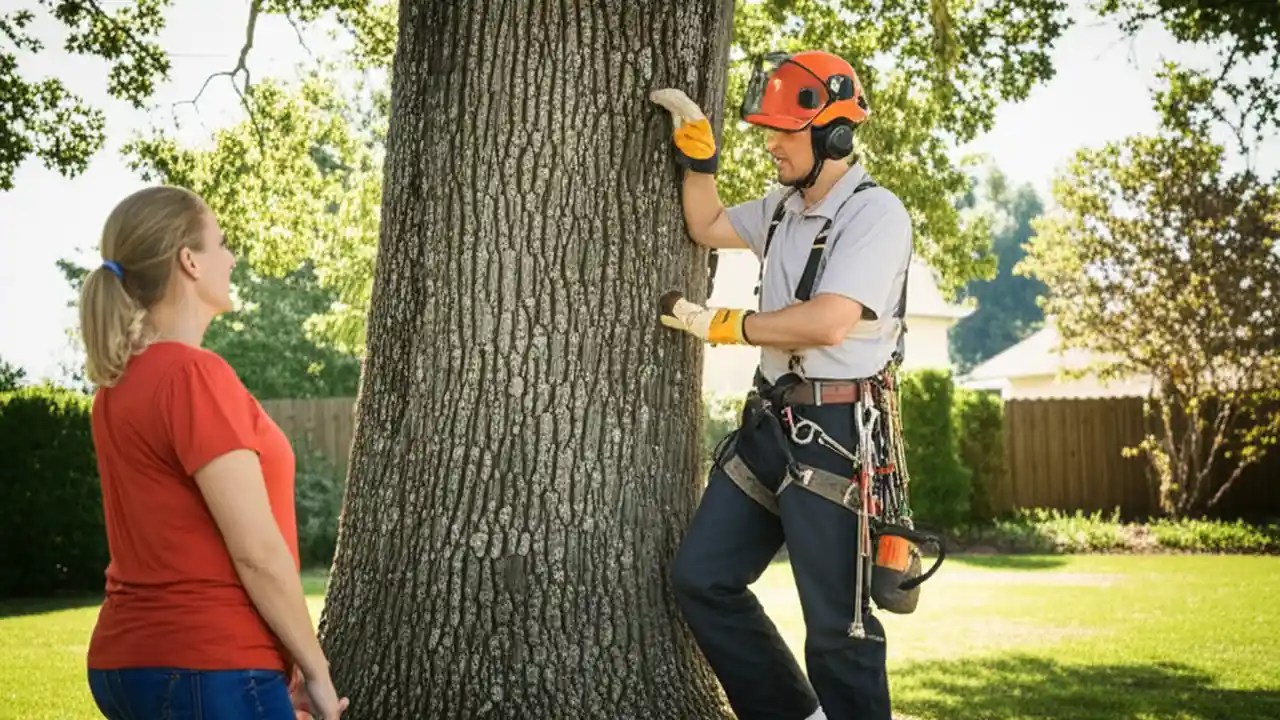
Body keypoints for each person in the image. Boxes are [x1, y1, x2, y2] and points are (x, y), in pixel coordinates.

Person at [651, 50, 920, 720]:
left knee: (838, 630)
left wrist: (727, 325)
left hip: (838, 437)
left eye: (782, 131)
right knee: (703, 578)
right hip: (772, 427)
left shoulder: (874, 214)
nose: (769, 143)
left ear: (832, 135)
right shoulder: (781, 209)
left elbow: (829, 322)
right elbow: (706, 225)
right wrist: (700, 162)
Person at [78, 186, 348, 720]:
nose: (231, 258)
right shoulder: (194, 376)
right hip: (211, 665)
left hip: (125, 665)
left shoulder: (116, 388)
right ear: (189, 261)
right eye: (221, 243)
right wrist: (315, 671)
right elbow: (257, 551)